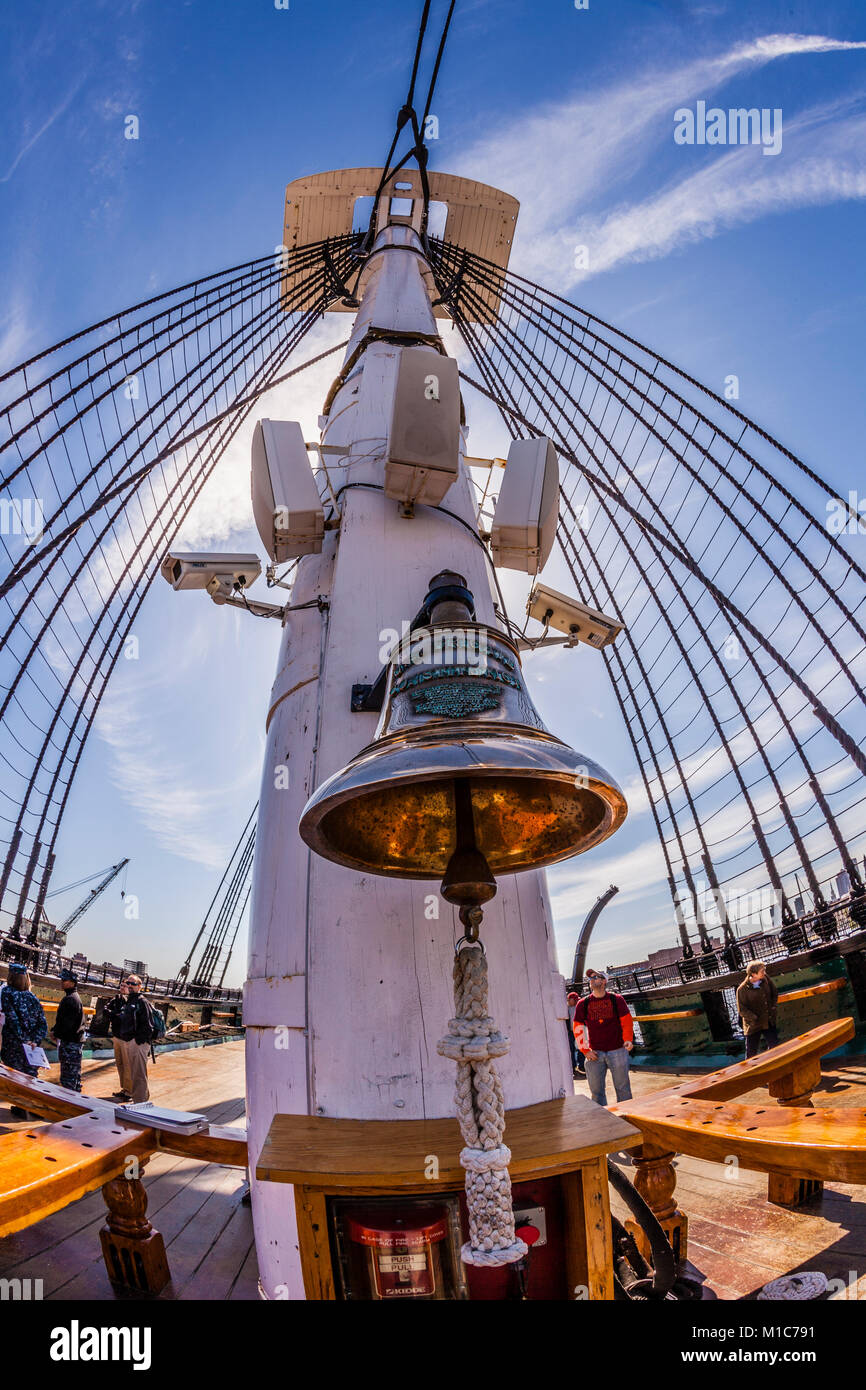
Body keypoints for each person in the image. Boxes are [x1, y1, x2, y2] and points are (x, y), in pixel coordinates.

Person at [573, 969, 634, 1107]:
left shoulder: (616, 999)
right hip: (594, 1053)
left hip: (617, 1050)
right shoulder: (583, 1003)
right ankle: (601, 1119)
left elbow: (626, 1021)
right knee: (596, 1092)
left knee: (623, 1089)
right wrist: (585, 1050)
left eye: (596, 977)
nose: (592, 980)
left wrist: (628, 1039)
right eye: (590, 978)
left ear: (604, 981)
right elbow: (578, 1027)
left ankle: (628, 1116)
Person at [1, 964, 48, 1118]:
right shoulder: (32, 997)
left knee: (15, 1075)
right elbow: (43, 1023)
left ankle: (21, 1106)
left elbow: (13, 1019)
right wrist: (34, 1040)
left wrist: (24, 1040)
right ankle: (33, 1106)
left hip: (15, 1043)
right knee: (30, 1076)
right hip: (32, 1046)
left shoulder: (7, 993)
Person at [105, 975, 153, 1102]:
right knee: (134, 1073)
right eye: (128, 983)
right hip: (129, 1041)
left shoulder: (142, 1002)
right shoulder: (130, 1001)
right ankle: (141, 1099)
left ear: (139, 986)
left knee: (138, 1075)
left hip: (137, 1043)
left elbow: (148, 1026)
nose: (130, 985)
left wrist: (137, 1041)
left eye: (133, 983)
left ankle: (140, 1102)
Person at [736, 960, 778, 1058]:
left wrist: (773, 1006)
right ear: (753, 974)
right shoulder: (742, 989)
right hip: (753, 1025)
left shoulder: (766, 979)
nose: (764, 973)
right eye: (762, 971)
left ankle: (772, 1064)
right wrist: (754, 1018)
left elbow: (774, 992)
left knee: (774, 1046)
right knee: (751, 1052)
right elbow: (742, 1009)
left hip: (768, 1020)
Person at [52, 968, 84, 1092]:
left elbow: (67, 1024)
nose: (62, 982)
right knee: (74, 1078)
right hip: (73, 1043)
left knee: (68, 1080)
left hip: (70, 1044)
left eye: (64, 980)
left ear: (72, 982)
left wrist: (56, 1033)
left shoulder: (70, 999)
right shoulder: (73, 997)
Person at [566, 991, 585, 1076]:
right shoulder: (565, 1008)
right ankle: (573, 1067)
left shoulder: (579, 1006)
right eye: (574, 999)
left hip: (580, 1030)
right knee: (571, 1050)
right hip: (570, 1032)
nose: (575, 1001)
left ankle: (582, 1066)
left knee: (582, 1048)